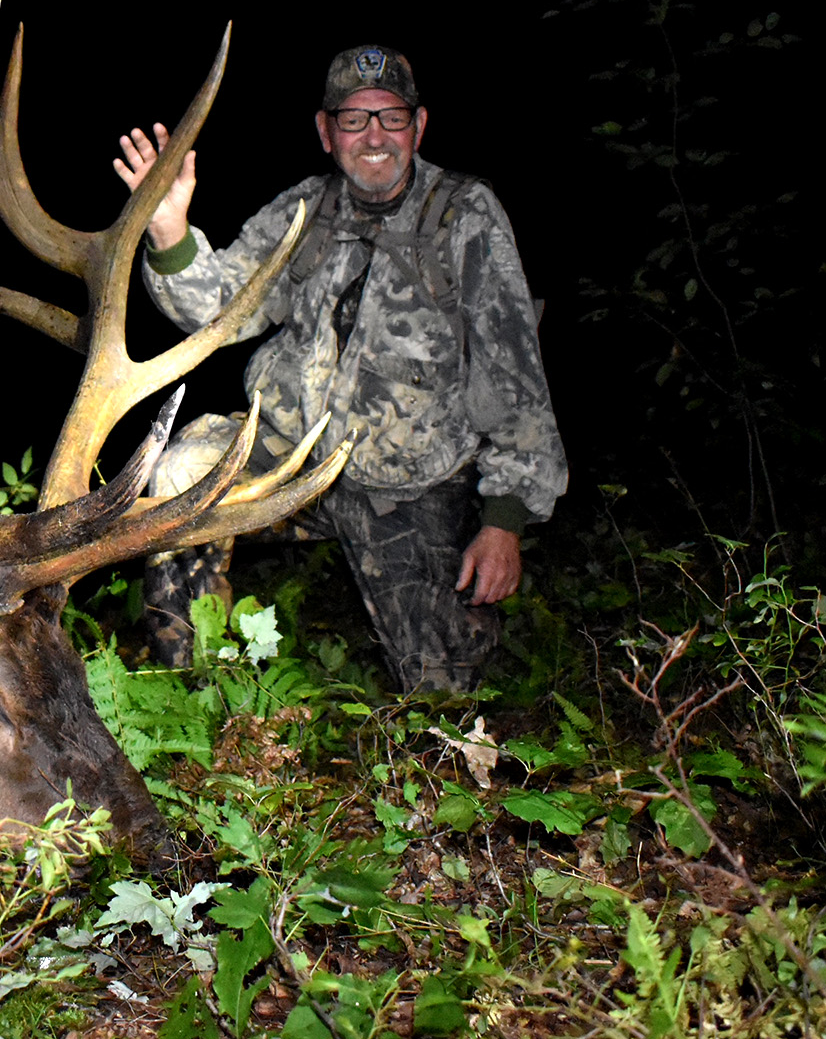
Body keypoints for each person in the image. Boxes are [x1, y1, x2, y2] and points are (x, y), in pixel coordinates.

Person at [115, 44, 567, 692]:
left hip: (408, 483)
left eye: (392, 117)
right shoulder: (305, 208)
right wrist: (169, 231)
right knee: (182, 471)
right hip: (293, 456)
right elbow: (219, 311)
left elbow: (514, 375)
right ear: (327, 133)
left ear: (419, 126)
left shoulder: (464, 214)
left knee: (442, 698)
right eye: (354, 120)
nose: (374, 136)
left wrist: (504, 520)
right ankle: (190, 689)